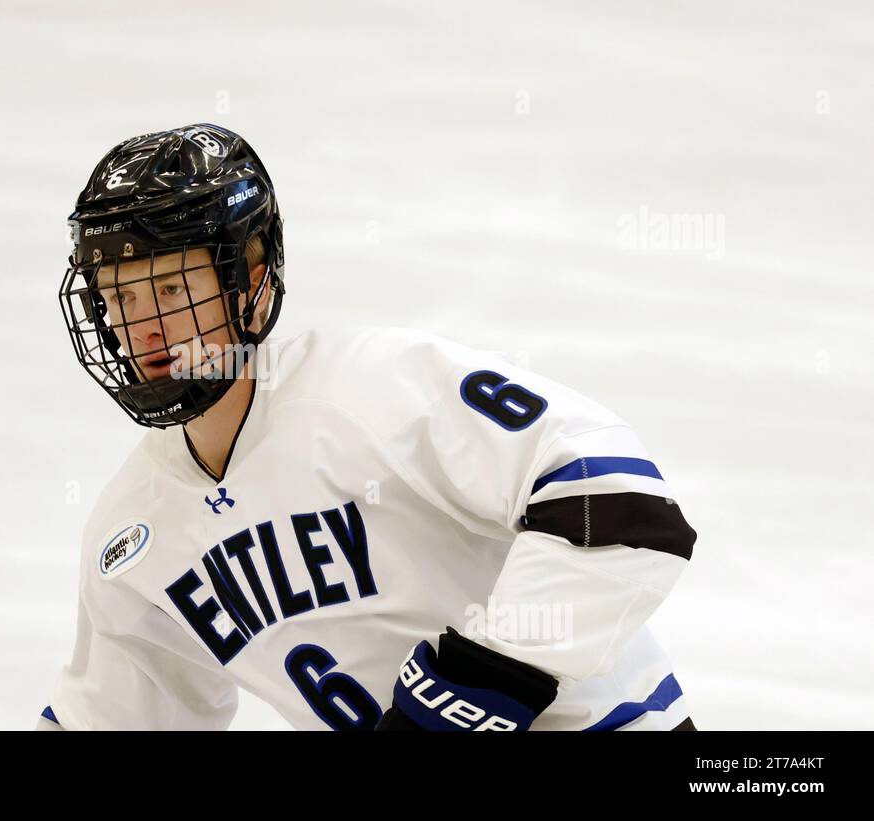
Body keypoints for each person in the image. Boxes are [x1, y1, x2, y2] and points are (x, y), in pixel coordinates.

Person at [43, 123, 697, 731]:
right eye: (119, 296)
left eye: (169, 290)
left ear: (254, 280)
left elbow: (624, 509)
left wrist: (482, 681)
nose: (144, 328)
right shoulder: (131, 541)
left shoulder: (377, 392)